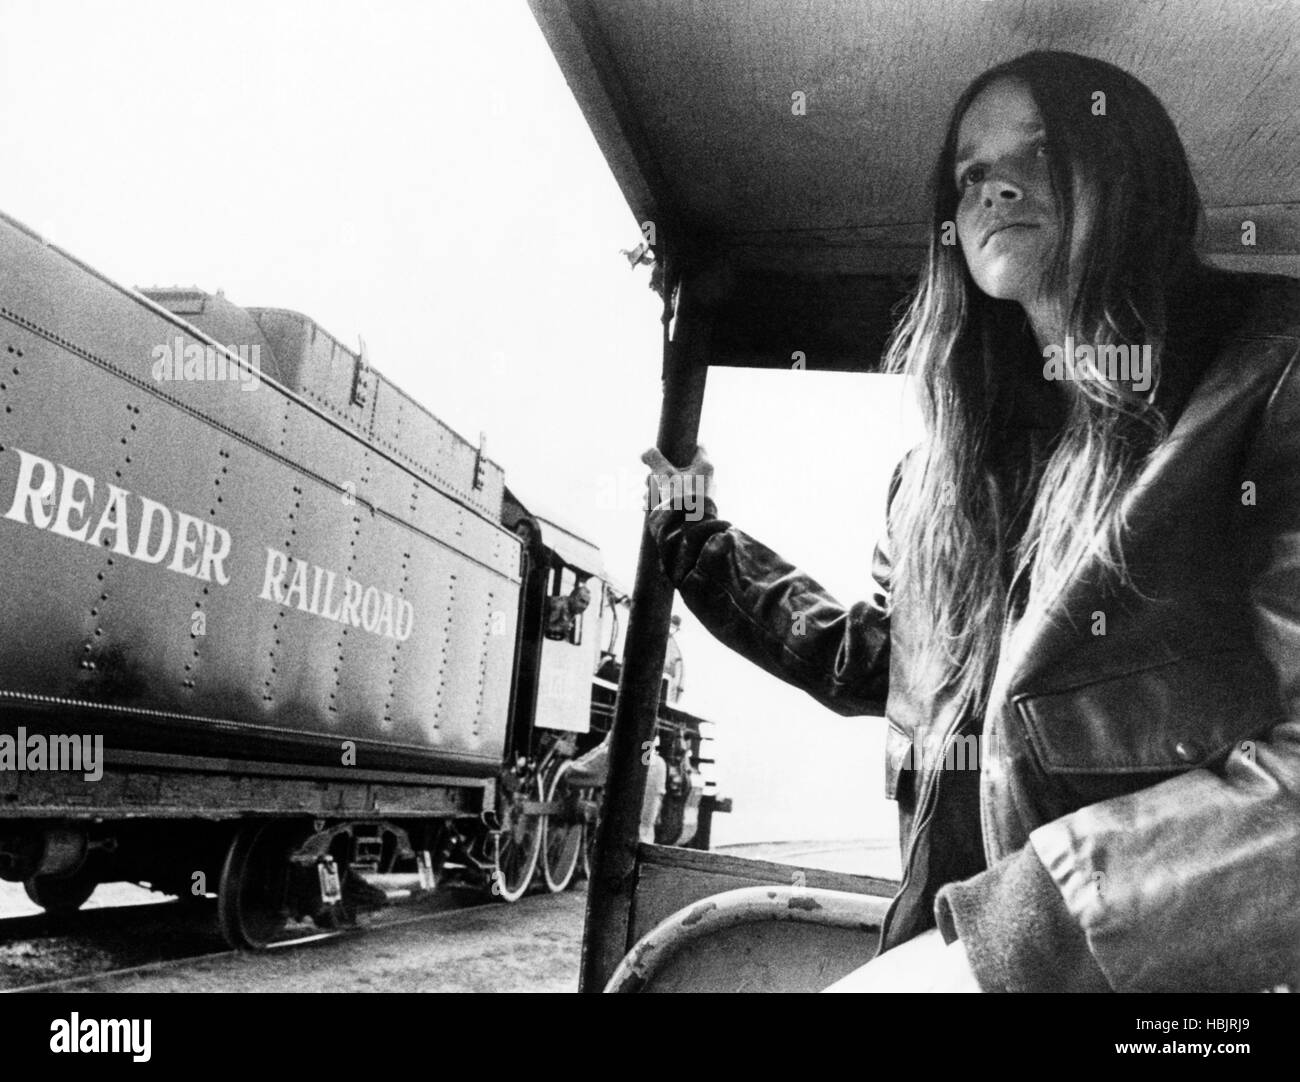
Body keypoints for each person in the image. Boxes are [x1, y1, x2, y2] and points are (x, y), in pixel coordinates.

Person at [642, 50, 1300, 992]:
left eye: (1041, 151)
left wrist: (1000, 949)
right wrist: (692, 536)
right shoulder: (941, 484)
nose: (996, 185)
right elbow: (882, 663)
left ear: (1130, 171)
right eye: (970, 174)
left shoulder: (1267, 383)